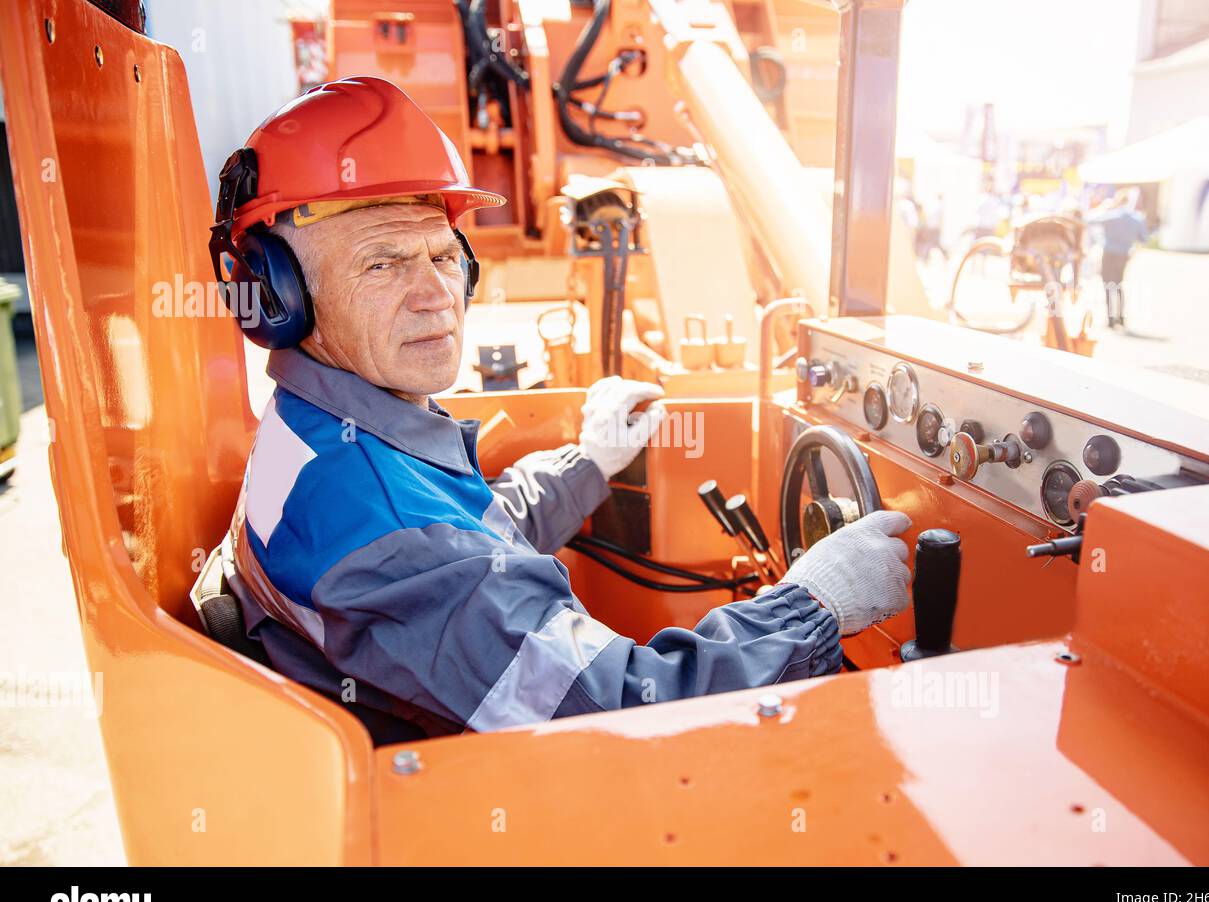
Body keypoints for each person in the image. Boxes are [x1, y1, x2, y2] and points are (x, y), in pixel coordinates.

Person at [200, 76, 913, 741]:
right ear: (275, 297)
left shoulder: (330, 435)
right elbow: (628, 715)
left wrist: (589, 460)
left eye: (444, 257)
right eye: (381, 263)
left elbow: (469, 546)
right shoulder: (371, 520)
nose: (435, 295)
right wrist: (813, 605)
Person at [1086, 188, 1149, 329]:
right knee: (1119, 285)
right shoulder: (1137, 218)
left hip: (1109, 252)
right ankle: (1120, 317)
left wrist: (1104, 208)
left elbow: (1089, 219)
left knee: (1108, 285)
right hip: (1124, 254)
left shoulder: (1112, 215)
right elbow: (1144, 238)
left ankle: (1110, 319)